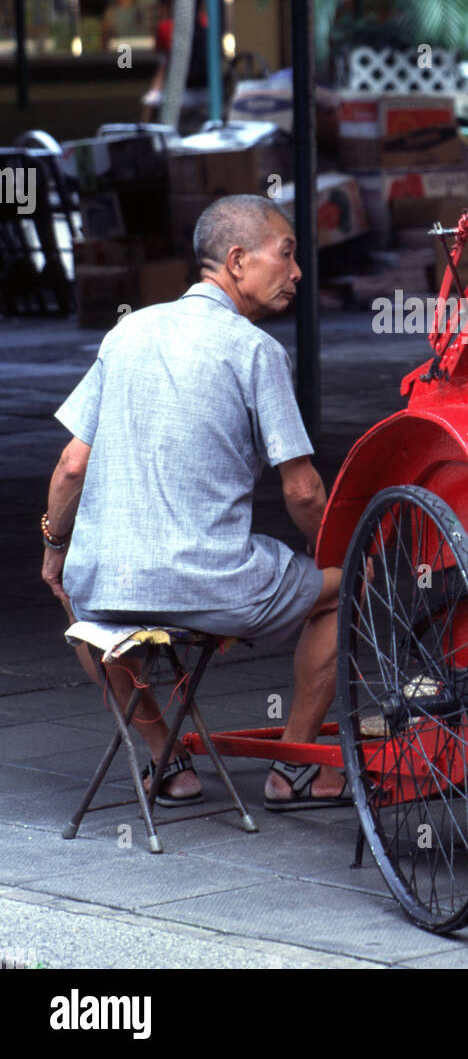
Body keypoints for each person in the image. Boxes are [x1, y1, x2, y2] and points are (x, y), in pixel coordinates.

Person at [41, 194, 346, 810]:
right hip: (218, 584)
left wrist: (55, 549)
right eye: (286, 256)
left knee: (89, 624)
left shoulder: (128, 331)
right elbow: (304, 488)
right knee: (361, 580)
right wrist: (336, 549)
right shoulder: (257, 350)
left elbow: (73, 463)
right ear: (237, 260)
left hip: (112, 579)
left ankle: (169, 761)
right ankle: (294, 767)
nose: (297, 274)